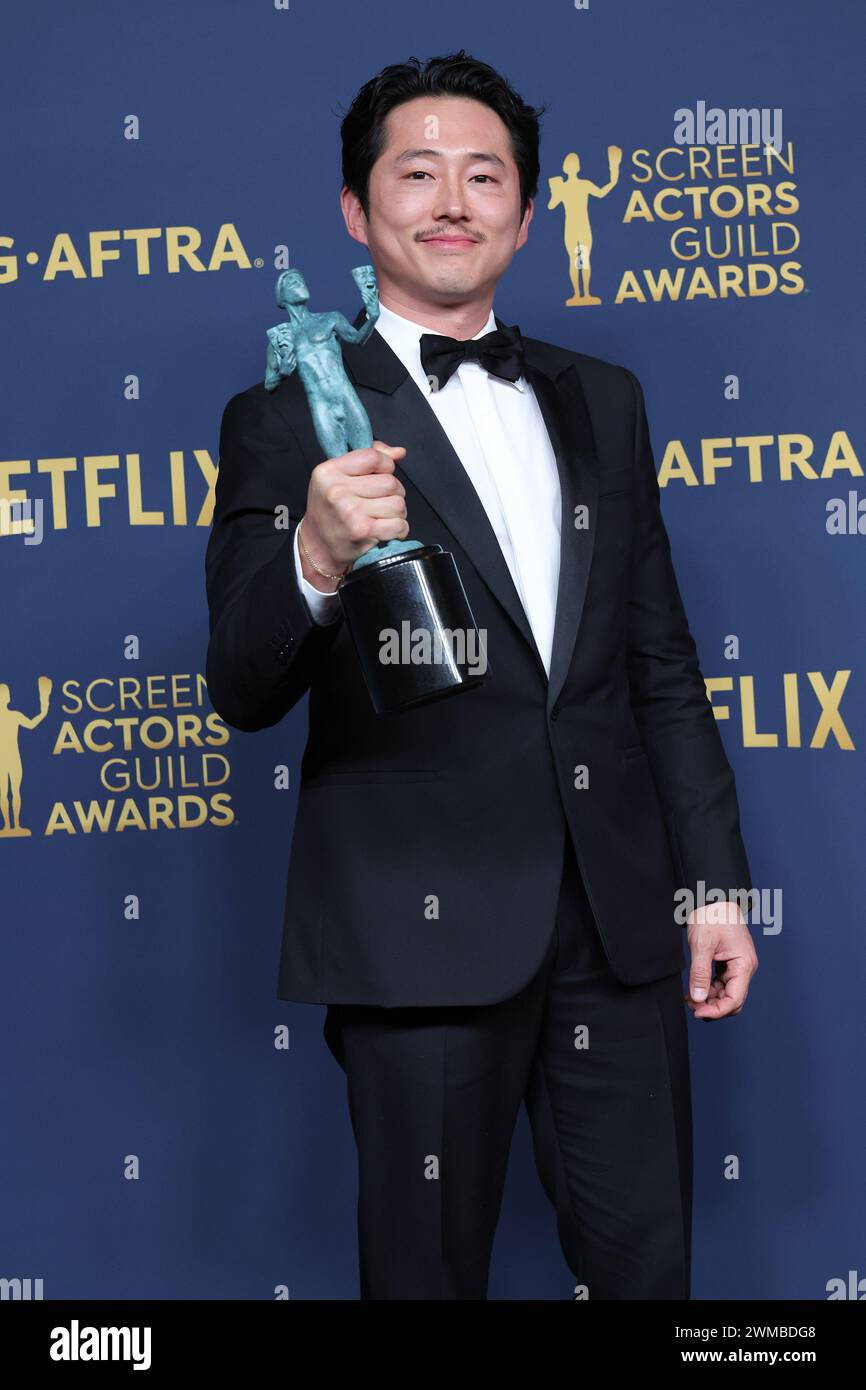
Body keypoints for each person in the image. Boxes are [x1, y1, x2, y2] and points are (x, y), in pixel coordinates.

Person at [204, 51, 759, 1300]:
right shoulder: (290, 410)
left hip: (614, 930)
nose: (451, 199)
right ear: (357, 211)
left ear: (524, 208)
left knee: (650, 1277)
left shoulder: (599, 400)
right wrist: (311, 556)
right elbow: (239, 682)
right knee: (424, 1283)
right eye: (417, 173)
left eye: (483, 174)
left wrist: (710, 886)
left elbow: (655, 662)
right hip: (418, 931)